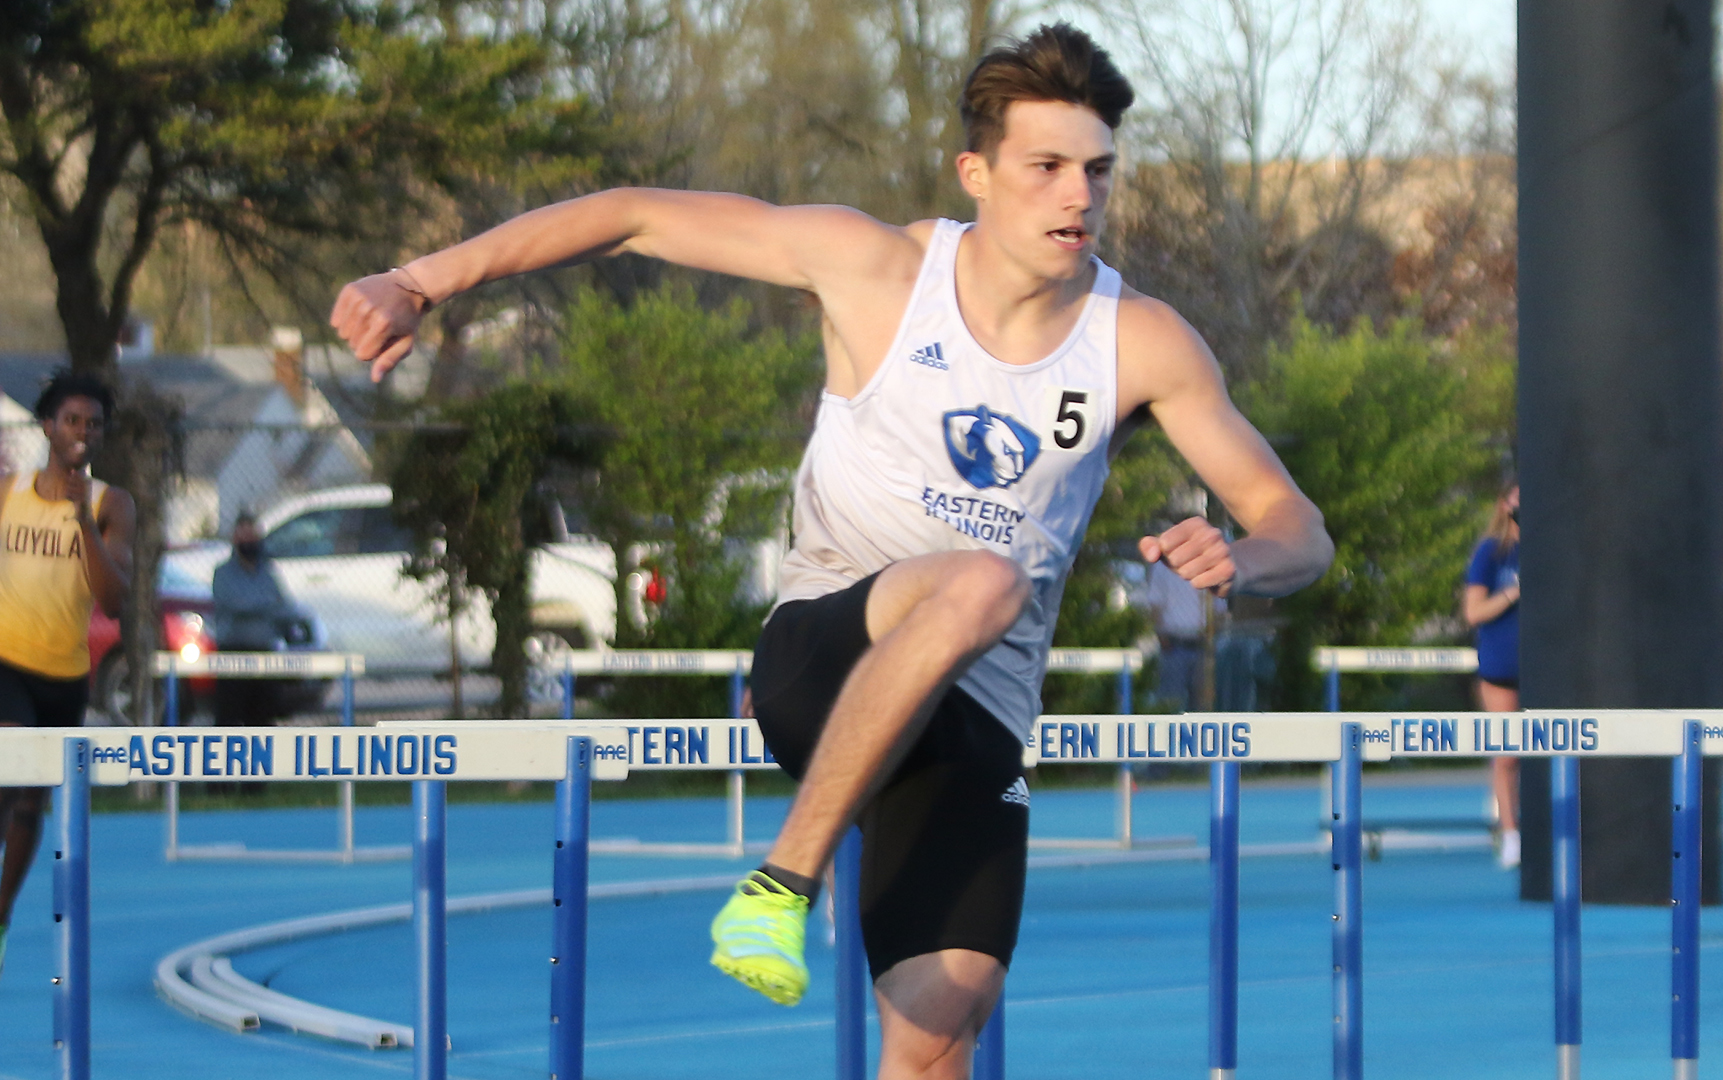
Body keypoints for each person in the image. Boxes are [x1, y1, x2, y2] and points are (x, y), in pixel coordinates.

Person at [331, 25, 1333, 1077]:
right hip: (827, 648)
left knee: (941, 1034)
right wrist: (421, 278)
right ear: (976, 174)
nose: (1076, 197)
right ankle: (780, 885)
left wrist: (1240, 557)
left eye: (1096, 171)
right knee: (981, 580)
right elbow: (631, 218)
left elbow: (1295, 525)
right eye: (1045, 168)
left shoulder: (1142, 340)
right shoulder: (878, 269)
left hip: (976, 716)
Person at [0, 371, 135, 978]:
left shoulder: (111, 504)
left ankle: (0, 916)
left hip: (65, 675)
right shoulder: (9, 494)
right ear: (48, 426)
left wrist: (82, 522)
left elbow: (111, 600)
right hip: (6, 663)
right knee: (8, 768)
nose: (83, 432)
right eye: (72, 420)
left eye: (94, 423)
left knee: (31, 801)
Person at [1462, 485, 1520, 869]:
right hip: (1502, 666)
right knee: (1507, 755)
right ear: (1505, 504)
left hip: (1547, 667)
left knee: (1554, 751)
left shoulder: (1553, 547)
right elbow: (1474, 611)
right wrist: (1514, 593)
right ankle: (1511, 832)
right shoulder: (1491, 552)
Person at [211, 512, 303, 728]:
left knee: (263, 723)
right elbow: (235, 604)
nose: (249, 543)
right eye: (244, 537)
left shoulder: (268, 573)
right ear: (235, 540)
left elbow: (285, 606)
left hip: (264, 655)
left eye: (253, 537)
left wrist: (266, 606)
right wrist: (267, 605)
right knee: (229, 723)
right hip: (233, 656)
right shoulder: (223, 574)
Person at [1141, 553, 1206, 710]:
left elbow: (1218, 610)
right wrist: (1162, 637)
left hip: (1203, 646)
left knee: (1201, 706)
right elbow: (1155, 606)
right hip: (1174, 644)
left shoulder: (1206, 564)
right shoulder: (1163, 567)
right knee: (1171, 703)